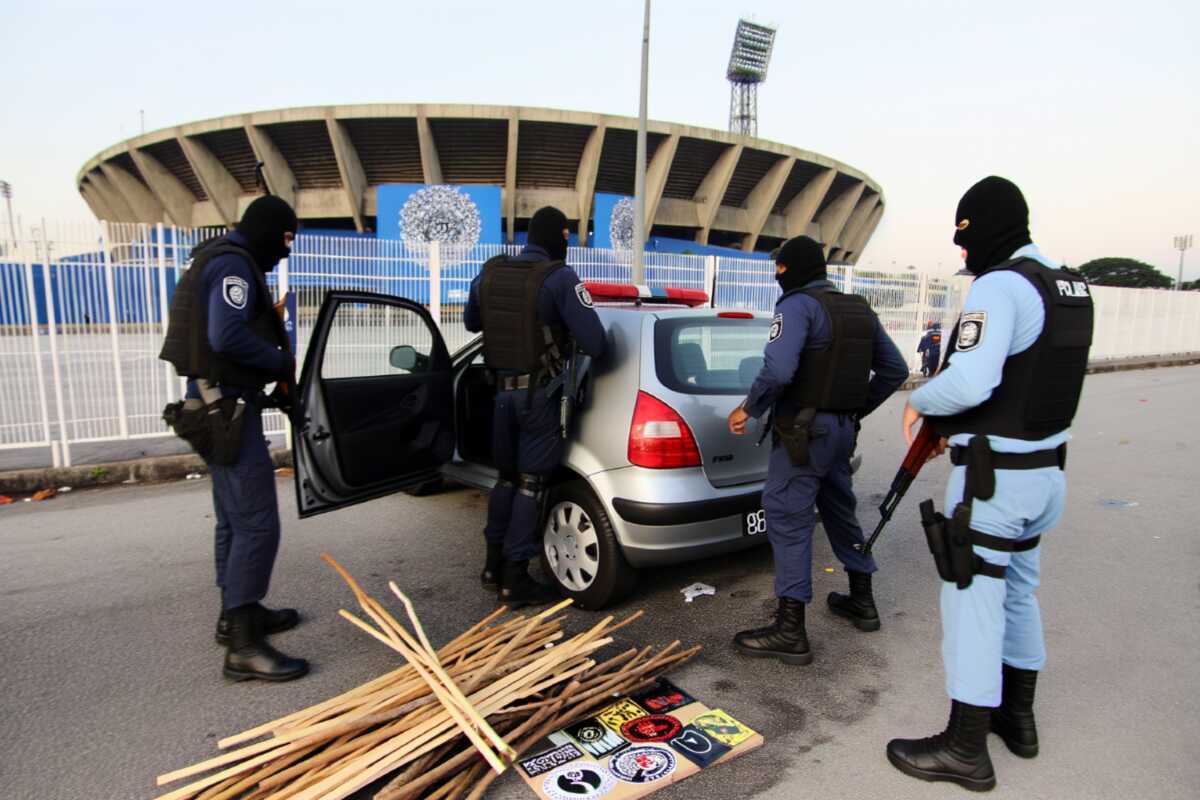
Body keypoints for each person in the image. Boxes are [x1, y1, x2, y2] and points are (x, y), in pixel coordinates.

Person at [886, 177, 1093, 791]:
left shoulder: (1001, 286)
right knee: (1019, 592)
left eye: (964, 237)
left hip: (992, 483)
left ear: (985, 227)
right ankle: (1017, 720)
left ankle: (964, 748)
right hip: (1044, 476)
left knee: (972, 603)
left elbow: (973, 379)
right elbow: (1029, 379)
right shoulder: (1069, 285)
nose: (961, 254)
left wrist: (922, 403)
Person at [727, 236, 908, 664]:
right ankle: (862, 599)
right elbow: (895, 369)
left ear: (788, 271)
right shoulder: (858, 309)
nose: (776, 278)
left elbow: (779, 369)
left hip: (802, 435)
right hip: (842, 431)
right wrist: (850, 410)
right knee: (839, 509)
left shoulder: (796, 306)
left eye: (778, 270)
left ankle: (790, 630)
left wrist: (749, 408)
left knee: (788, 517)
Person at [160, 195, 307, 682]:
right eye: (285, 240)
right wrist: (280, 361)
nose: (285, 252)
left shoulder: (222, 257)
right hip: (225, 409)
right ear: (268, 230)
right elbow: (226, 337)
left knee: (231, 518)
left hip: (217, 404)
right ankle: (244, 645)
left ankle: (236, 614)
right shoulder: (234, 266)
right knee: (257, 523)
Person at [464, 206, 606, 607]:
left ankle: (492, 567)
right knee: (531, 484)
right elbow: (597, 344)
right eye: (567, 236)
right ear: (559, 237)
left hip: (499, 396)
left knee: (505, 480)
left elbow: (471, 323)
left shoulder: (488, 273)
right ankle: (515, 580)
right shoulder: (559, 278)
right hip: (539, 399)